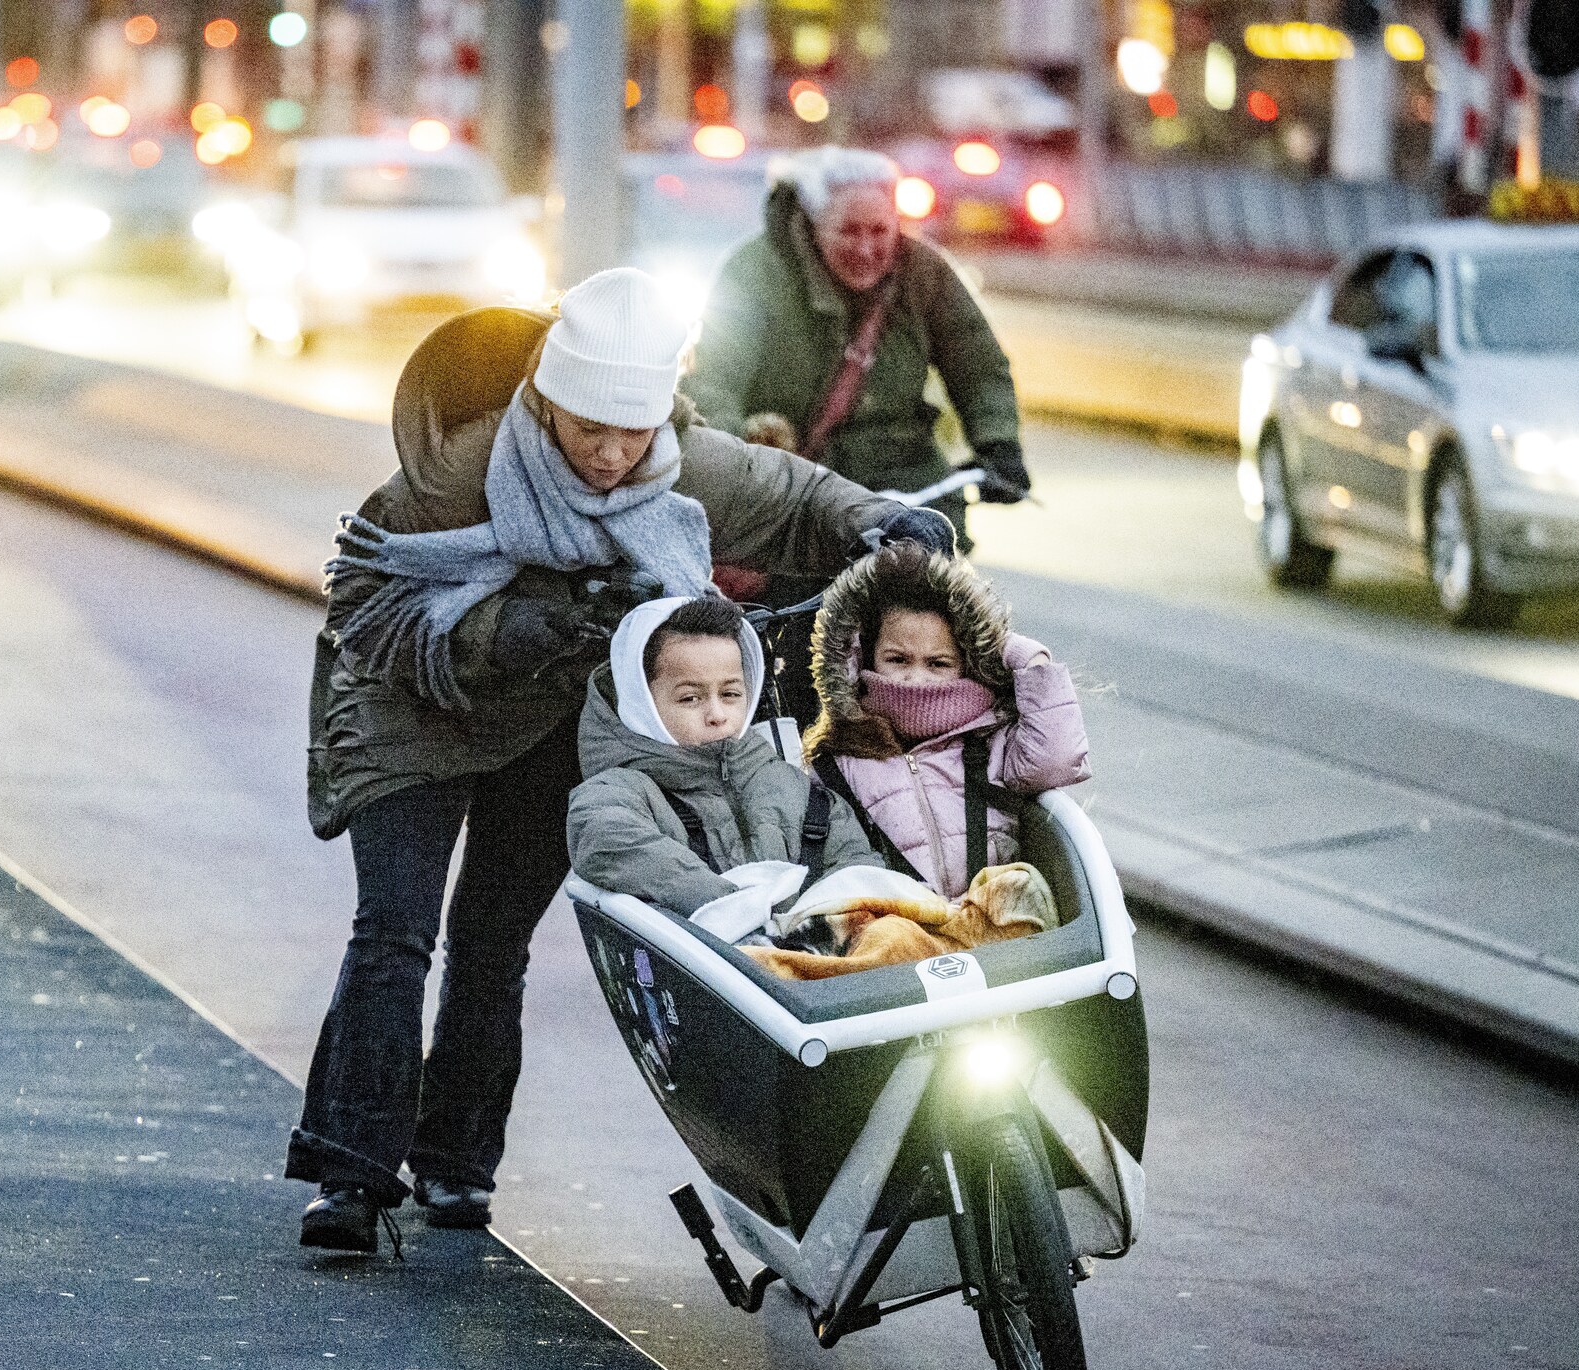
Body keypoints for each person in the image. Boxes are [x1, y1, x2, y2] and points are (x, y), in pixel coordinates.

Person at [293, 270, 955, 1253]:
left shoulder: (680, 467)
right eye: (586, 429)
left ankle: (453, 1167)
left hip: (547, 726)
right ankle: (349, 1176)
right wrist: (519, 625)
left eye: (631, 433)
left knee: (489, 944)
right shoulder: (461, 470)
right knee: (395, 935)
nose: (608, 456)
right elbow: (363, 596)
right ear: (545, 402)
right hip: (412, 707)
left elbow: (798, 498)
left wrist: (882, 526)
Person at [683, 147, 1029, 556]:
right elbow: (713, 381)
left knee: (933, 597)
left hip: (907, 482)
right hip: (799, 492)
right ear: (813, 225)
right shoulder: (755, 272)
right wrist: (743, 450)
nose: (865, 249)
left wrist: (998, 444)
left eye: (879, 231)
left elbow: (978, 365)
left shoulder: (924, 273)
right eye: (849, 231)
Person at [802, 542, 1090, 900]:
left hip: (997, 933)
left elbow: (1058, 758)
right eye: (897, 660)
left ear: (967, 665)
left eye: (938, 663)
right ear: (863, 658)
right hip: (899, 937)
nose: (917, 679)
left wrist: (1018, 655)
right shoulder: (838, 762)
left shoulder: (990, 742)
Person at [566, 595, 882, 917]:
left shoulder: (791, 784)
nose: (717, 715)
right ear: (641, 704)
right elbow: (604, 836)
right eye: (690, 698)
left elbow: (860, 874)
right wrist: (738, 912)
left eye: (730, 694)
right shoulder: (618, 793)